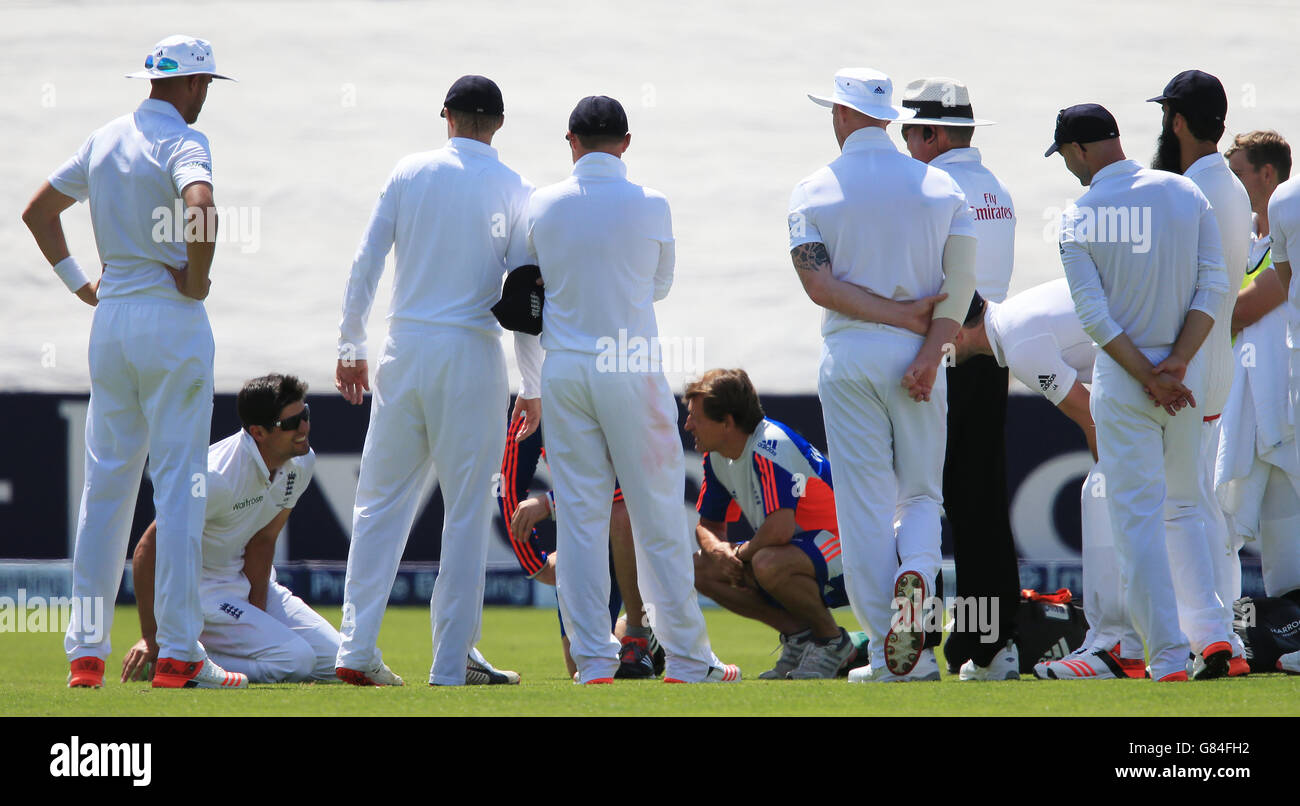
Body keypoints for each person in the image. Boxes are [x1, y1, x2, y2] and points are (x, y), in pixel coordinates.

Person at [22, 35, 244, 689]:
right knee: (180, 488)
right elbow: (201, 207)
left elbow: (38, 211)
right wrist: (199, 282)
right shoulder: (184, 139)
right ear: (196, 84)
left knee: (105, 488)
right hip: (171, 323)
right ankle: (178, 653)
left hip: (112, 321)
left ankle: (85, 654)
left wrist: (80, 285)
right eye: (205, 86)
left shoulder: (104, 138)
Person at [333, 75, 541, 687]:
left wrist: (351, 344)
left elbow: (366, 258)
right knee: (467, 512)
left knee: (377, 505)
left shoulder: (409, 172)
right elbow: (526, 298)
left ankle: (355, 649)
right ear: (498, 123)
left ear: (444, 114)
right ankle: (451, 663)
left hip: (404, 350)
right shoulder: (516, 188)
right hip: (472, 355)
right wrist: (532, 383)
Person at [527, 95, 736, 684]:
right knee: (660, 517)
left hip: (565, 367)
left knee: (581, 521)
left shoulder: (541, 203)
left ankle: (593, 659)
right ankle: (689, 659)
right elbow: (661, 286)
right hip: (630, 364)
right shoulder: (653, 204)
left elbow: (527, 286)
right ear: (625, 142)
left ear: (571, 139)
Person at [790, 68, 977, 683]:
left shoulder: (811, 189)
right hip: (921, 352)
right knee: (921, 492)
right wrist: (926, 350)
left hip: (848, 358)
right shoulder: (941, 185)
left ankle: (888, 654)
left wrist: (892, 318)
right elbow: (962, 285)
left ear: (842, 115)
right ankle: (918, 569)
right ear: (891, 118)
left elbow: (818, 284)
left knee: (864, 508)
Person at [1047, 103, 1233, 681]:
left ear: (1078, 151)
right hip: (1188, 380)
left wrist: (1149, 374)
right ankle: (1216, 639)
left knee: (1138, 522)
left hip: (1127, 384)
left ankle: (1170, 658)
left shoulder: (1079, 215)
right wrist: (1176, 363)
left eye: (1065, 156)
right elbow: (1216, 285)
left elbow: (1095, 317)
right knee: (1186, 507)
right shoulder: (1185, 193)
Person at [951, 282, 1145, 680]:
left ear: (954, 329)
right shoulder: (1014, 323)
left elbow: (1092, 419)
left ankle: (1115, 645)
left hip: (1165, 369)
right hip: (1169, 362)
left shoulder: (1018, 344)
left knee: (1101, 491)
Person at [898, 77, 1019, 677]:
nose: (904, 146)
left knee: (919, 499)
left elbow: (935, 279)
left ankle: (913, 647)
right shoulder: (996, 187)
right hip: (992, 353)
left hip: (944, 354)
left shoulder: (936, 185)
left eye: (908, 133)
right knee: (980, 506)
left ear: (933, 134)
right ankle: (990, 644)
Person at [121, 375, 333, 684]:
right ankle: (172, 658)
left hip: (245, 585)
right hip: (202, 594)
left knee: (337, 663)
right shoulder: (215, 478)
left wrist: (258, 614)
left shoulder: (302, 462)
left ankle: (190, 657)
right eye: (291, 423)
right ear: (258, 432)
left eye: (305, 415)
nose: (304, 428)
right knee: (297, 661)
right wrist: (151, 637)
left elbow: (263, 541)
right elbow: (148, 548)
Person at [1148, 71, 1253, 675]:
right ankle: (1227, 638)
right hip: (1218, 364)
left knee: (1179, 507)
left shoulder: (1190, 190)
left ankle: (1210, 638)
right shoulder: (1230, 186)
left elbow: (1175, 287)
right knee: (1204, 508)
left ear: (1177, 122)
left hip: (1189, 364)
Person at [685, 369, 854, 679]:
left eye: (696, 417)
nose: (688, 425)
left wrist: (738, 555)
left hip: (851, 550)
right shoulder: (717, 455)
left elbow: (780, 529)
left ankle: (832, 641)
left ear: (727, 422)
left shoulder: (769, 446)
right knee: (701, 566)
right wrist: (718, 550)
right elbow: (707, 524)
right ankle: (801, 636)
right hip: (806, 554)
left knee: (767, 561)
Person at [500, 415, 663, 679]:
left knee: (621, 514)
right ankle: (646, 631)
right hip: (586, 534)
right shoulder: (533, 400)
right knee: (583, 667)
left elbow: (625, 480)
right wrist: (536, 565)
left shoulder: (606, 387)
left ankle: (638, 635)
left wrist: (549, 503)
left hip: (634, 523)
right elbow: (507, 485)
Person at [1219, 131, 1300, 604]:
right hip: (1246, 406)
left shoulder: (1285, 239)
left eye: (1238, 175)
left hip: (1283, 402)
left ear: (1267, 174)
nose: (1232, 187)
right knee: (1268, 536)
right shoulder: (1241, 238)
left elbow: (1242, 310)